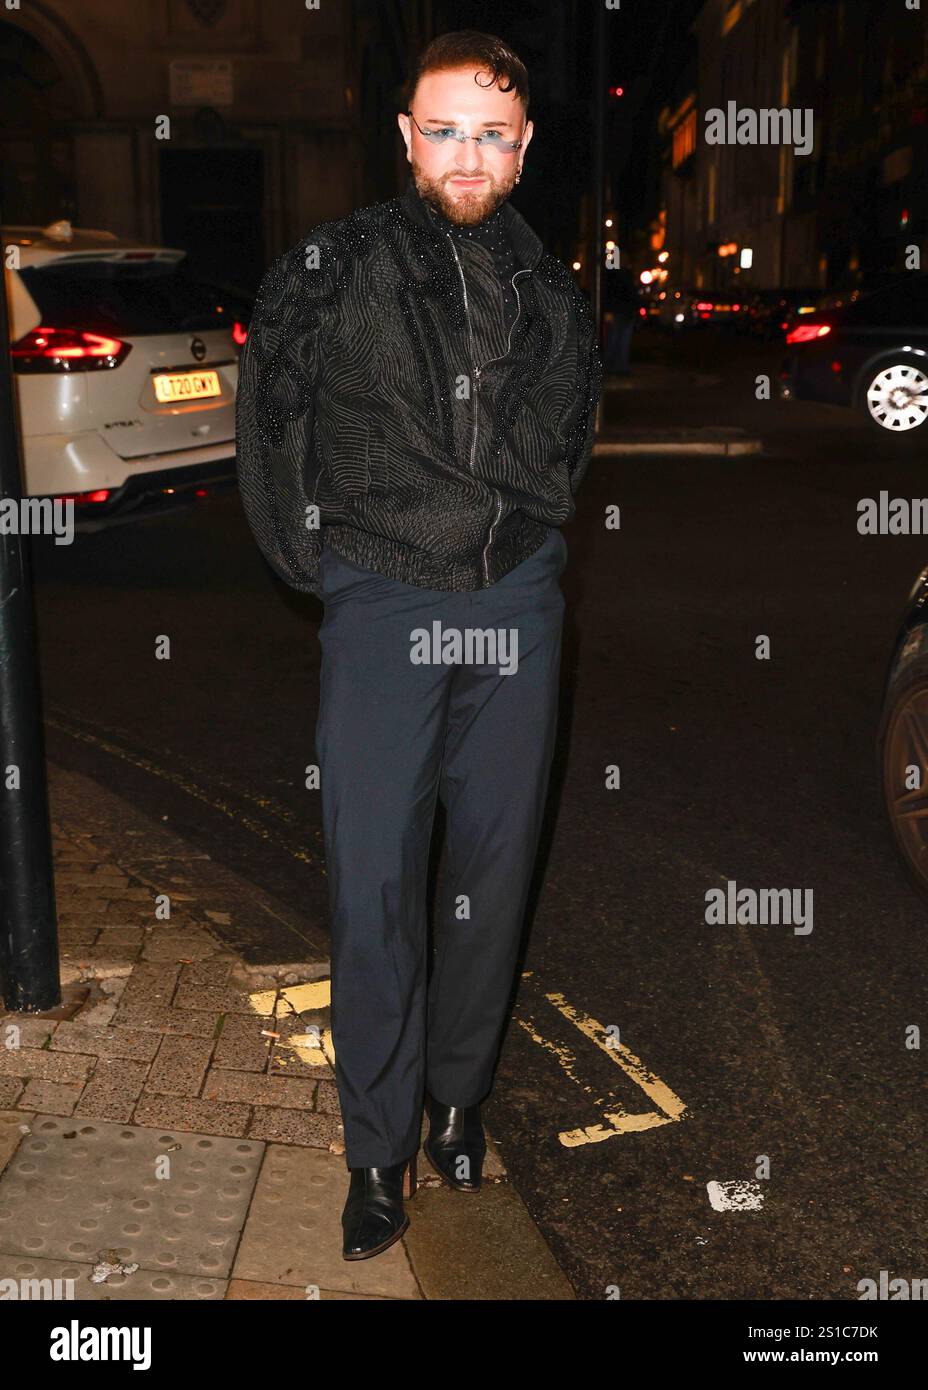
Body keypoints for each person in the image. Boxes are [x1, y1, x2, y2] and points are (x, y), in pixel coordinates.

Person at [235, 29, 601, 1261]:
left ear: (524, 145)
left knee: (493, 866)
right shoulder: (335, 267)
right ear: (406, 136)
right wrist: (331, 571)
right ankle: (377, 1149)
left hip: (515, 603)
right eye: (443, 130)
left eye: (491, 134)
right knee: (375, 881)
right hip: (384, 601)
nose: (467, 156)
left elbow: (567, 443)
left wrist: (526, 549)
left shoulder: (551, 289)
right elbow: (271, 423)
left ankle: (457, 1100)